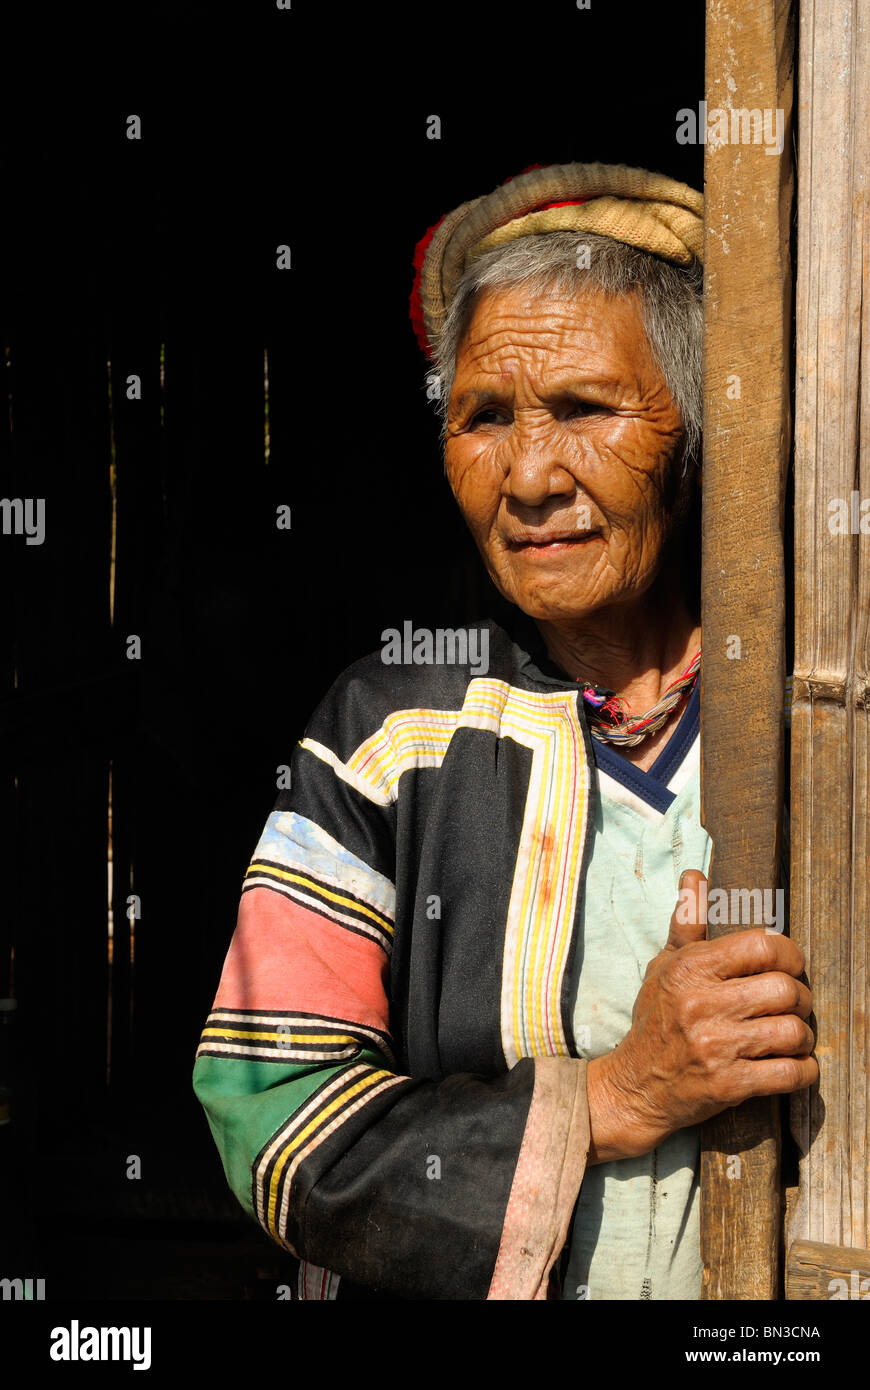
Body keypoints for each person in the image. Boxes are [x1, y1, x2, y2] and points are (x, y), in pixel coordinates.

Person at [192, 162, 817, 1300]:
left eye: (583, 408)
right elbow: (268, 1116)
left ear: (690, 435)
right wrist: (618, 1096)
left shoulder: (814, 722)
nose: (529, 476)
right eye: (484, 416)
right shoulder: (388, 732)